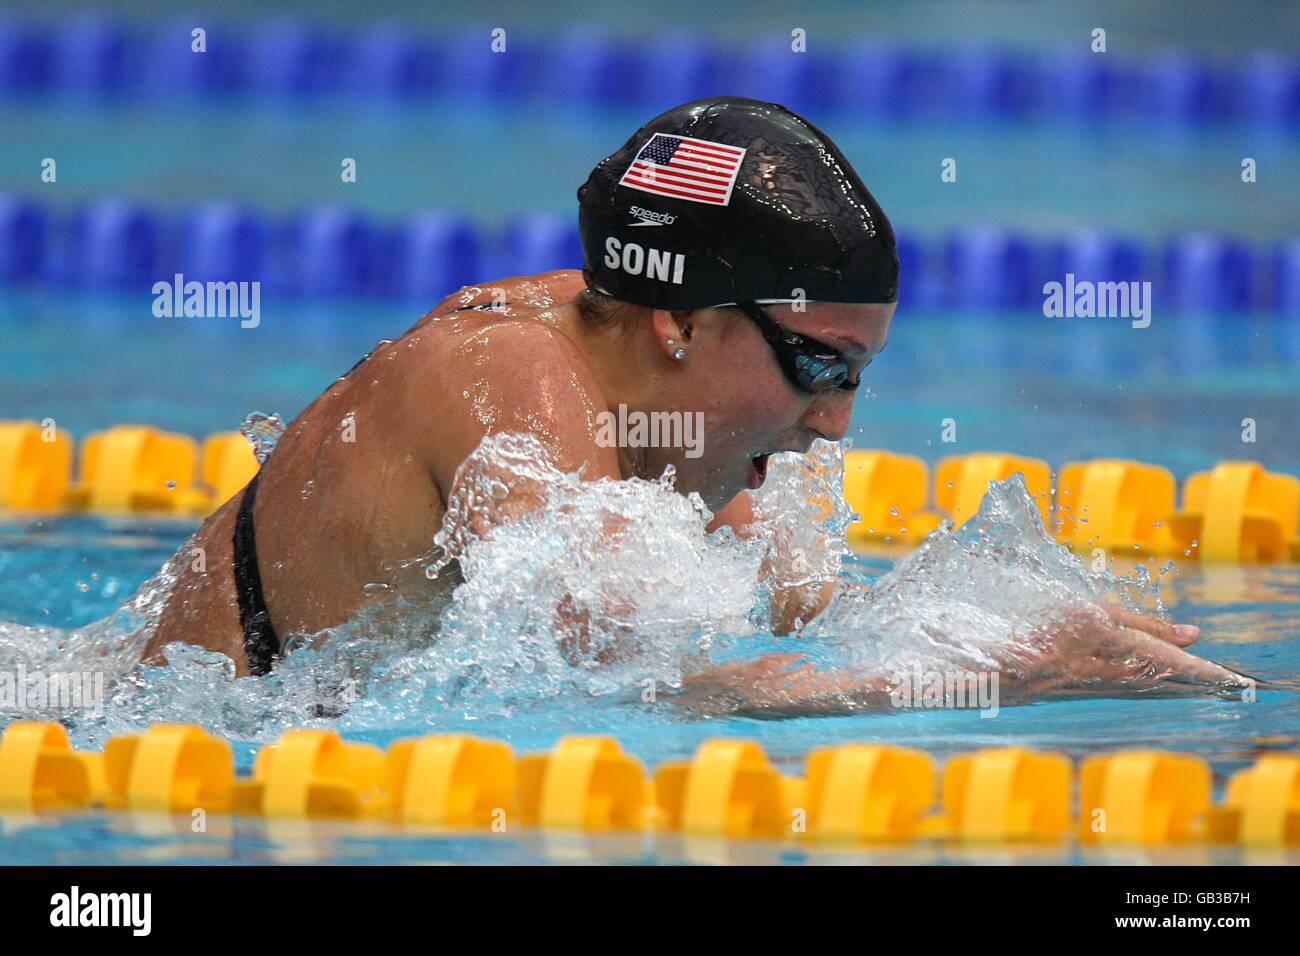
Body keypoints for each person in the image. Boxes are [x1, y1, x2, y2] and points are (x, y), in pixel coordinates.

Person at [141, 97, 1241, 710]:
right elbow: (628, 682)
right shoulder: (511, 384)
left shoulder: (648, 378)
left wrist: (1006, 614)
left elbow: (802, 614)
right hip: (159, 755)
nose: (836, 423)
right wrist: (991, 676)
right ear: (683, 321)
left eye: (857, 375)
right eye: (818, 367)